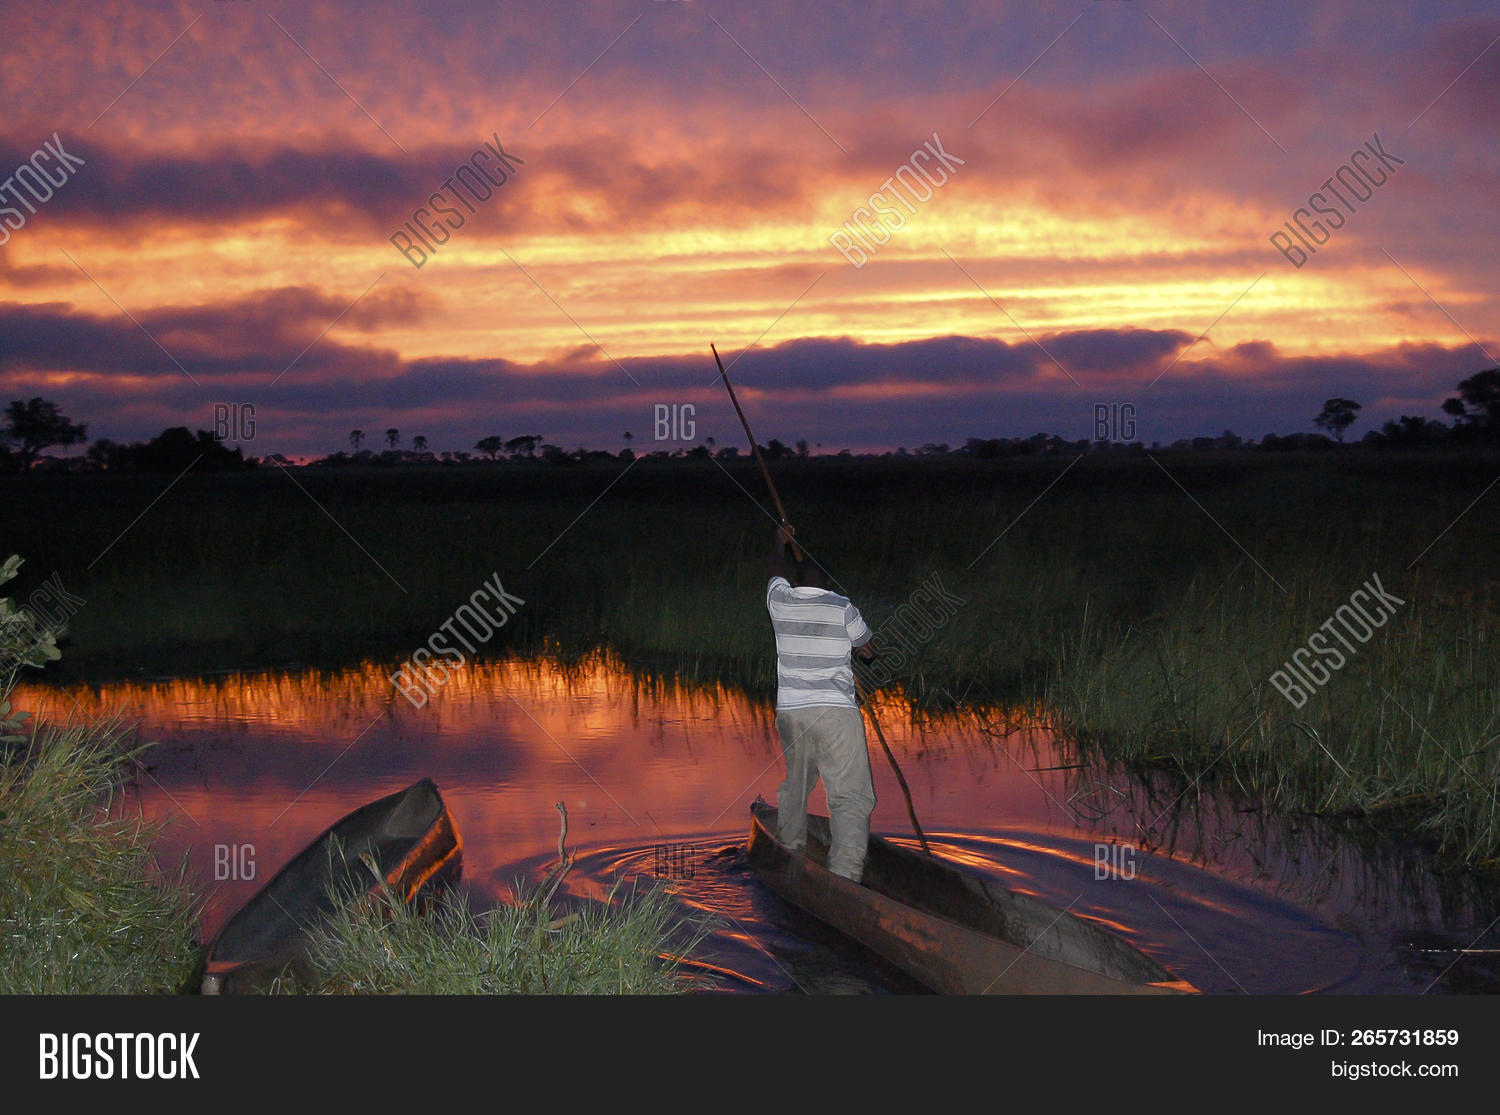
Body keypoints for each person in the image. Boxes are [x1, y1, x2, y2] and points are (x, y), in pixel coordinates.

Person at [765, 523, 877, 882]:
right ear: (827, 582)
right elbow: (869, 650)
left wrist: (779, 541)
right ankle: (844, 877)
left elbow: (775, 572)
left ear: (798, 583)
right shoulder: (843, 606)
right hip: (835, 714)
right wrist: (862, 650)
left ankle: (789, 849)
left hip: (792, 713)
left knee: (795, 786)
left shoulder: (779, 601)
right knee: (850, 797)